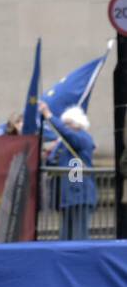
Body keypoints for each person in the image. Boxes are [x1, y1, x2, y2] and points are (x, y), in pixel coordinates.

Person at [39, 100, 96, 240]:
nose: (65, 128)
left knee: (79, 236)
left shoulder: (83, 138)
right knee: (65, 237)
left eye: (68, 125)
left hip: (80, 196)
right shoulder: (64, 145)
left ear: (77, 124)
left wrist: (49, 115)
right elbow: (53, 163)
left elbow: (67, 135)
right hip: (67, 197)